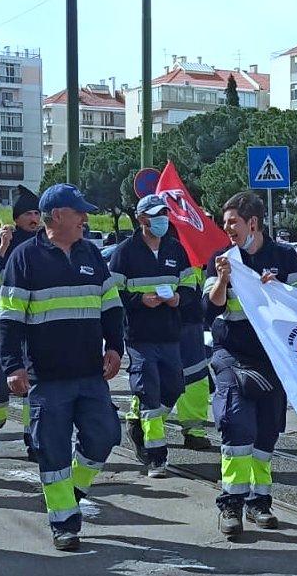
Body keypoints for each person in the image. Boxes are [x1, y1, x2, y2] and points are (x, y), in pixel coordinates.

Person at [0, 183, 123, 551]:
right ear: (57, 216)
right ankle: (64, 522)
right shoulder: (24, 257)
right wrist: (12, 366)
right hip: (47, 377)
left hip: (90, 373)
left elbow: (111, 305)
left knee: (104, 436)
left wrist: (115, 347)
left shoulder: (92, 253)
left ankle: (72, 490)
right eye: (78, 212)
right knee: (51, 451)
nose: (85, 218)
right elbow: (9, 318)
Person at [205, 191, 297, 538]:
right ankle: (231, 504)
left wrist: (278, 291)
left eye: (232, 222)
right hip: (231, 354)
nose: (227, 228)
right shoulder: (221, 259)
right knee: (237, 424)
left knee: (266, 432)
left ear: (253, 223)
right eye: (225, 223)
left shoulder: (285, 257)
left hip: (272, 357)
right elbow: (209, 310)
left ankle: (259, 502)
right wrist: (223, 280)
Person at [109, 194, 190, 477]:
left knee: (175, 386)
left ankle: (136, 420)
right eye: (157, 215)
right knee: (150, 392)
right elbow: (112, 293)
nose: (163, 220)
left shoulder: (175, 249)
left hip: (169, 333)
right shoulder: (125, 252)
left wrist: (179, 299)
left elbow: (190, 285)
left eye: (164, 214)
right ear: (142, 219)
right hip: (139, 335)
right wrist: (140, 300)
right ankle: (156, 457)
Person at [0, 185, 41, 455]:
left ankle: (33, 439)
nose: (34, 218)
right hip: (3, 322)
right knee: (2, 381)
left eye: (37, 213)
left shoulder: (43, 243)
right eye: (28, 214)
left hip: (34, 323)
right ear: (16, 218)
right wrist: (2, 247)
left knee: (32, 384)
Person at [171, 224, 212, 451]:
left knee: (196, 377)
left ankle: (194, 429)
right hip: (157, 325)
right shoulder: (146, 249)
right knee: (157, 378)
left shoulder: (198, 252)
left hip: (192, 322)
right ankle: (143, 423)